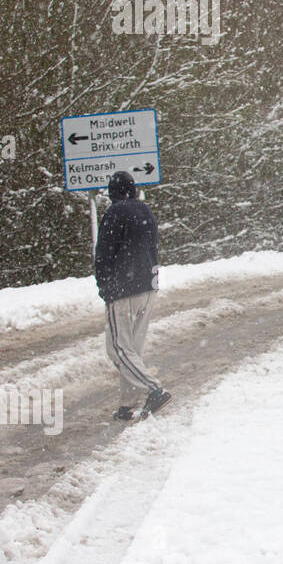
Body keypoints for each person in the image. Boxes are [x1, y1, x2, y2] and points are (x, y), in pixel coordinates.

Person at [94, 170, 171, 421]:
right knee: (132, 350)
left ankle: (154, 389)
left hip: (123, 290)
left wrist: (104, 287)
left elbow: (103, 254)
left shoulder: (114, 214)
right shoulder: (145, 210)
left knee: (118, 349)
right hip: (148, 286)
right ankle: (128, 404)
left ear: (113, 192)